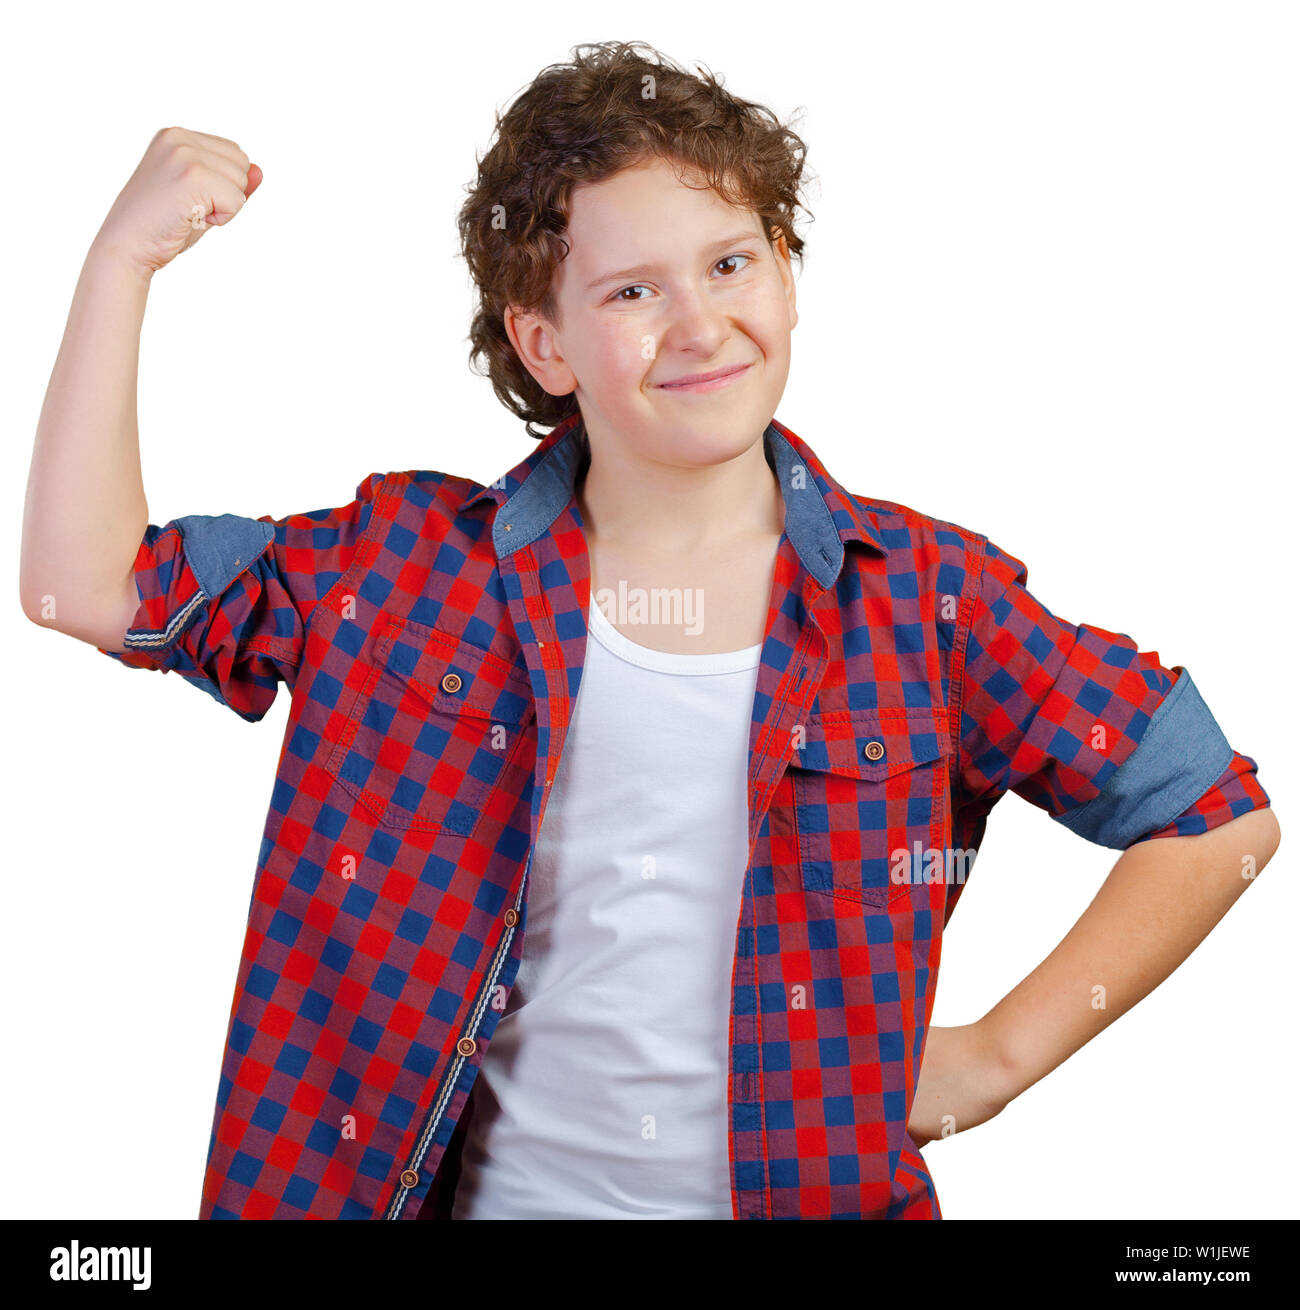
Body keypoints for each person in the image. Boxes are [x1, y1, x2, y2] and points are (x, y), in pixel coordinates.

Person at [20, 40, 1279, 1221]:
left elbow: (1213, 810)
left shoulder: (925, 599)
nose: (698, 324)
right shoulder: (401, 565)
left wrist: (996, 1056)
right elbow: (83, 589)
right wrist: (117, 265)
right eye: (632, 289)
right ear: (544, 340)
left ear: (786, 271)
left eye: (732, 262)